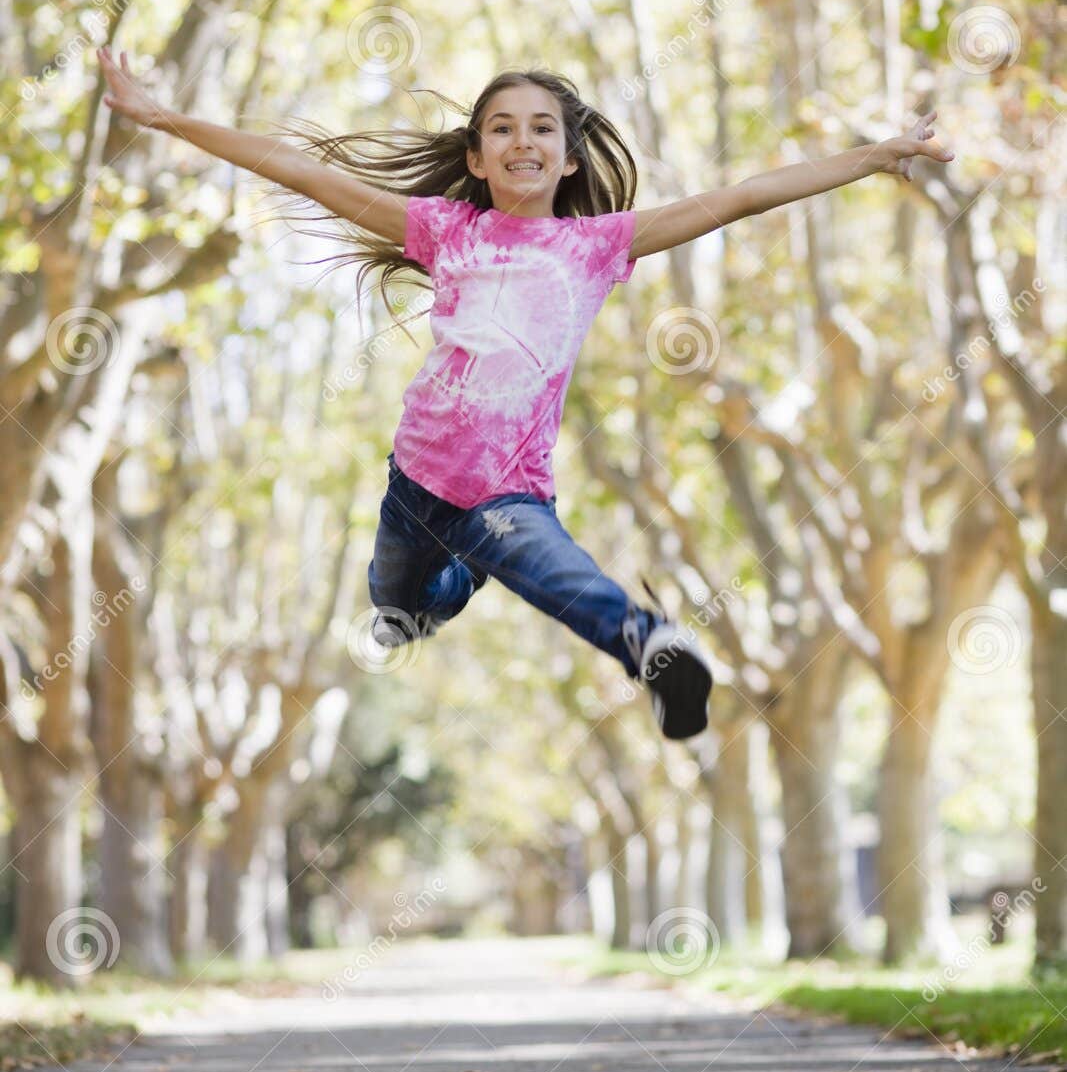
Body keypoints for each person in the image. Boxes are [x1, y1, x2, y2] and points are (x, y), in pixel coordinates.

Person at [96, 48, 954, 739]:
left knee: (564, 580)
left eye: (541, 127)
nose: (521, 140)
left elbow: (740, 197)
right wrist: (165, 116)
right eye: (500, 128)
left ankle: (656, 651)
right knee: (397, 608)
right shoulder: (444, 227)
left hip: (507, 497)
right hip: (414, 490)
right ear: (474, 157)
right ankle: (437, 600)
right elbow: (307, 175)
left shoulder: (599, 245)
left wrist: (880, 156)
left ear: (568, 155)